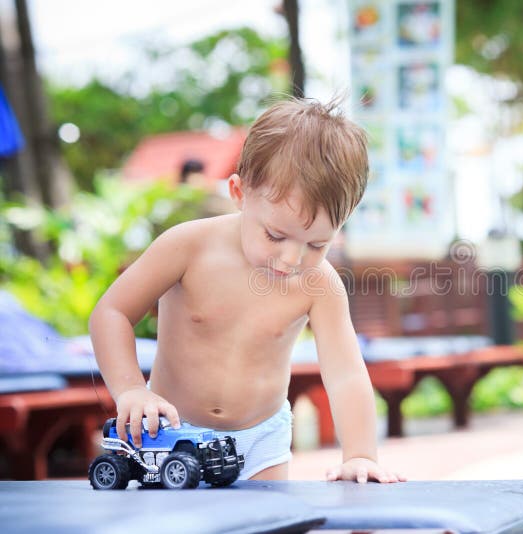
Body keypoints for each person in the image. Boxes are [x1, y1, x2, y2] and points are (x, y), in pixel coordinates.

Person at [90, 98, 404, 484]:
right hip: (172, 435)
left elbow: (345, 373)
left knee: (267, 524)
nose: (291, 258)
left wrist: (359, 454)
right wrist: (131, 391)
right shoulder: (188, 247)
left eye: (316, 244)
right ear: (239, 192)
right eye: (275, 235)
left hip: (260, 441)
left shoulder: (320, 284)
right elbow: (112, 312)